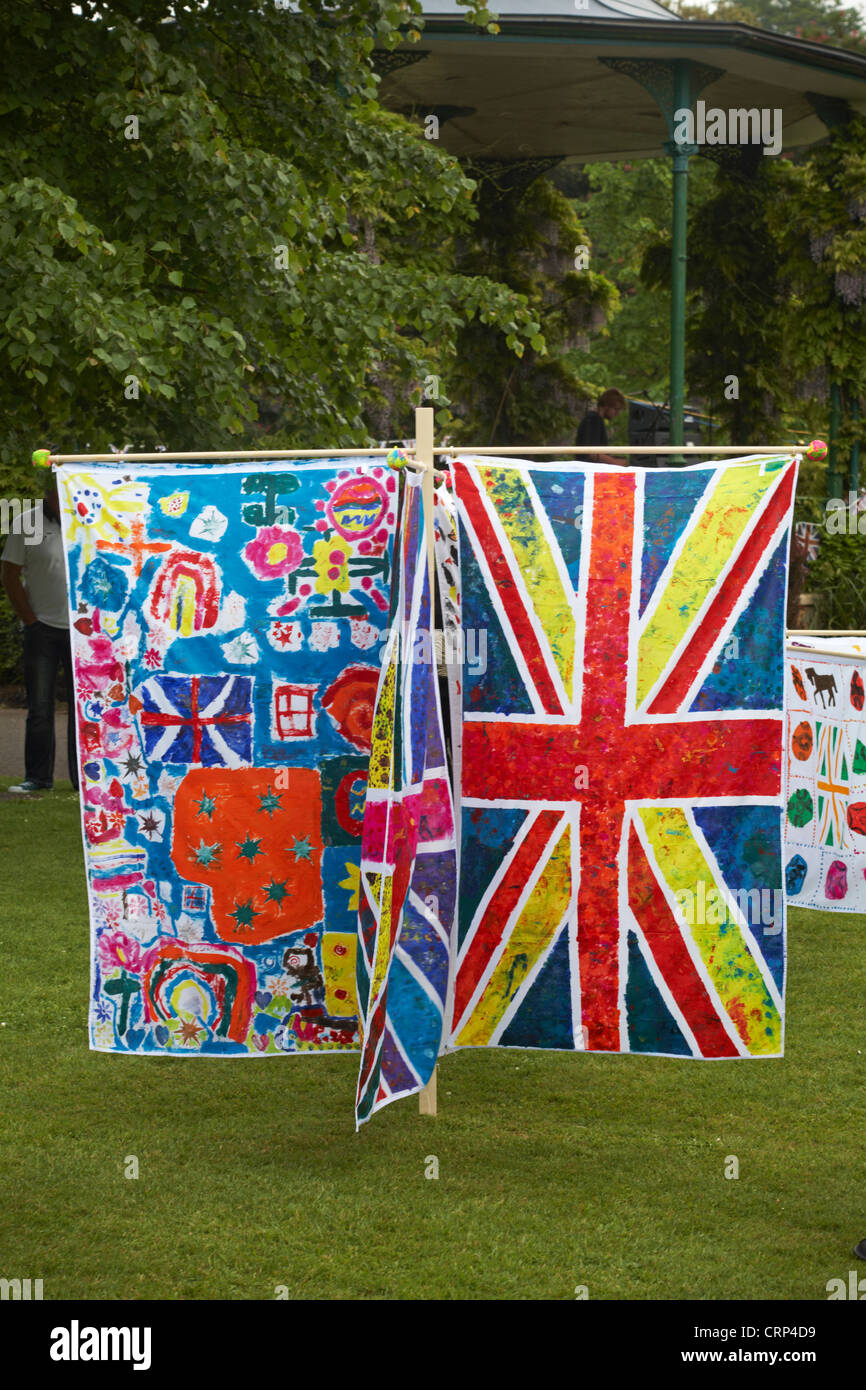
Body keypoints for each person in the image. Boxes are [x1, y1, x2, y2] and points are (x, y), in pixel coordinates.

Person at [1, 470, 79, 794]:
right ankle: (38, 779)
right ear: (49, 490)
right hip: (42, 629)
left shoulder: (86, 522)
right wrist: (30, 619)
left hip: (83, 632)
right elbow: (9, 574)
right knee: (41, 708)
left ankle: (82, 781)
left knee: (83, 709)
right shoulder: (27, 521)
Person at [576, 387, 628, 465]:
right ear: (607, 405)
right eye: (616, 409)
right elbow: (592, 453)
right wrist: (615, 462)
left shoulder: (595, 419)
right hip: (588, 470)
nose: (617, 413)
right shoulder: (593, 419)